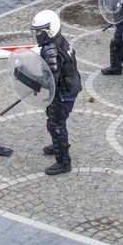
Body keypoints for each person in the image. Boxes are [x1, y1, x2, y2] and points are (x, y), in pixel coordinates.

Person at [32, 10, 82, 175]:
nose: (37, 34)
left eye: (39, 31)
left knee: (56, 124)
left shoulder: (51, 50)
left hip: (64, 91)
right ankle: (58, 145)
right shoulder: (58, 41)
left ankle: (63, 162)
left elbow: (50, 80)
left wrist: (33, 83)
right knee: (54, 119)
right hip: (69, 85)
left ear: (49, 30)